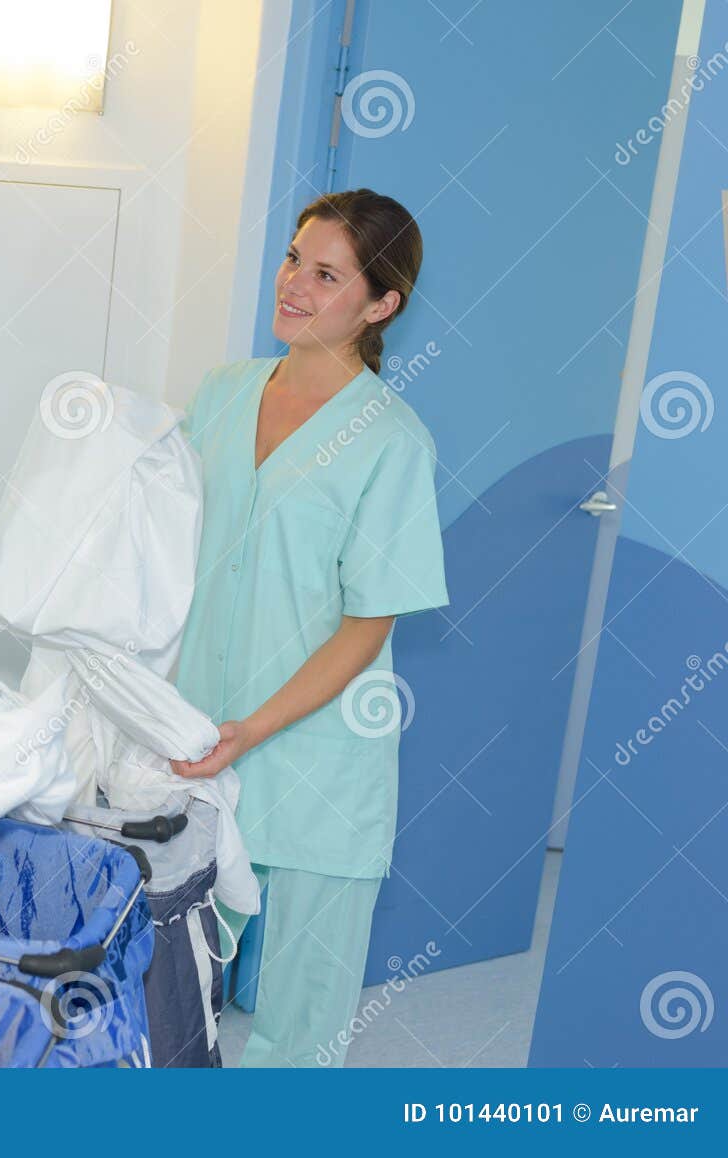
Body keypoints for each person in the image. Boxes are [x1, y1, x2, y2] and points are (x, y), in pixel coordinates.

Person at [170, 189, 449, 1066]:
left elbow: (366, 627)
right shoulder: (220, 395)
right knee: (171, 995)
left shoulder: (390, 442)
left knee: (300, 1027)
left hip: (318, 758)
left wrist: (254, 728)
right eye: (294, 258)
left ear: (380, 306)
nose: (292, 284)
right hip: (193, 737)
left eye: (326, 275)